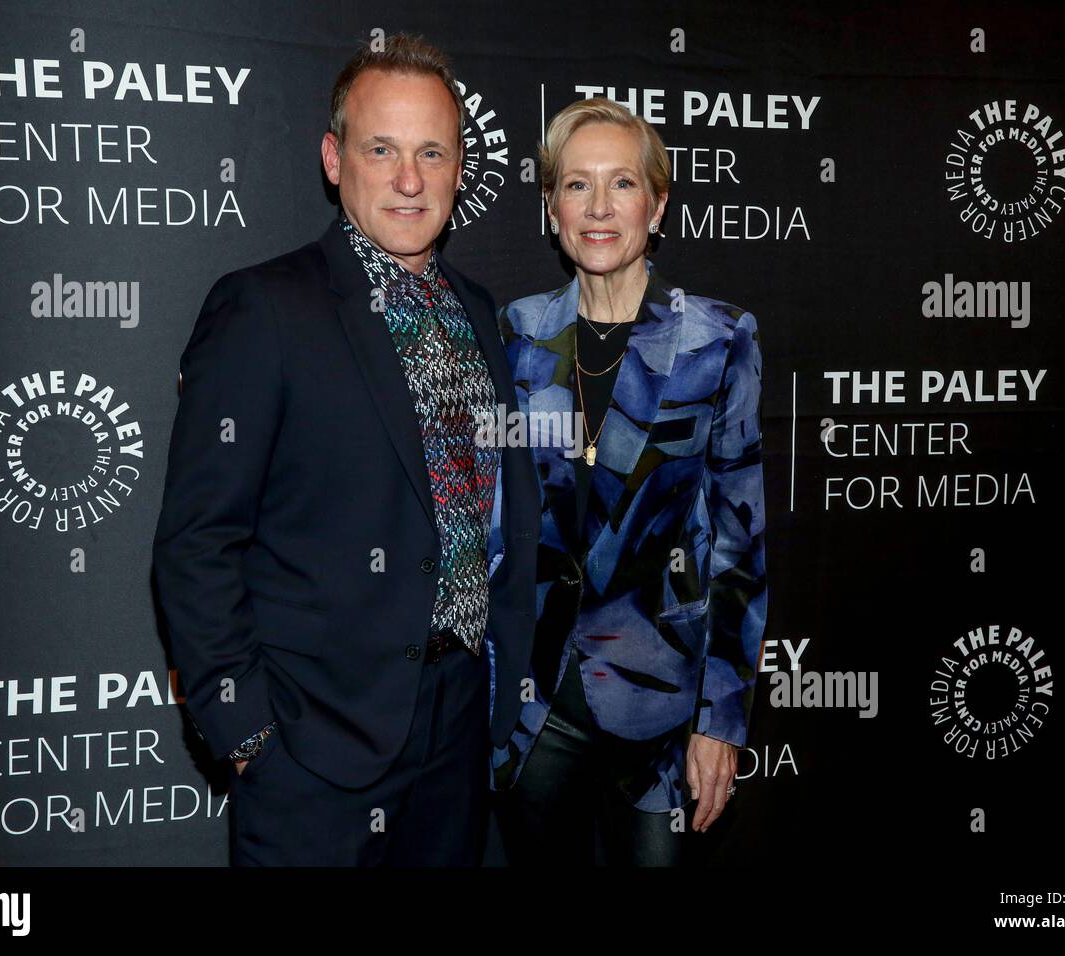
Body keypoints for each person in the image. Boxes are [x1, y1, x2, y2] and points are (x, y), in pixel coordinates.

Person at [152, 33, 538, 866]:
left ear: (460, 168)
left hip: (458, 730)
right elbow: (198, 540)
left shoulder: (478, 309)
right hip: (313, 749)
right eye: (382, 149)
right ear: (335, 159)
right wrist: (250, 735)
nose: (409, 178)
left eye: (432, 152)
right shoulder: (264, 308)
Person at [492, 97, 767, 866]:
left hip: (663, 708)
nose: (600, 207)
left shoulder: (720, 340)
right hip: (533, 708)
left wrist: (722, 718)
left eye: (622, 184)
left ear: (659, 202)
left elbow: (740, 545)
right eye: (576, 186)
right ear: (551, 208)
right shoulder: (515, 334)